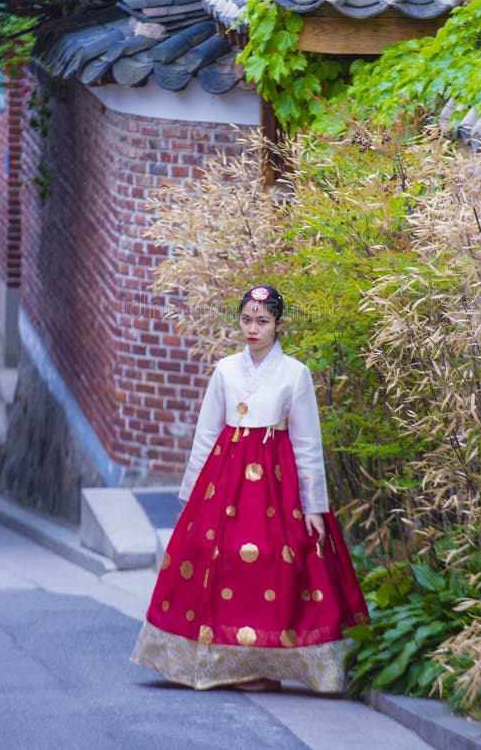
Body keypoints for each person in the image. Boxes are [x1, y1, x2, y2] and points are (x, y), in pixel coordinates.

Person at [131, 285, 368, 692]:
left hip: (277, 483)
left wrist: (313, 506)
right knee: (216, 558)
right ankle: (223, 662)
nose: (252, 329)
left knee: (274, 563)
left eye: (262, 321)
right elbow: (206, 435)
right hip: (224, 478)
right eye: (246, 320)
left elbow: (307, 442)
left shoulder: (295, 374)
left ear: (278, 325)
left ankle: (267, 664)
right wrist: (191, 499)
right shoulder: (225, 369)